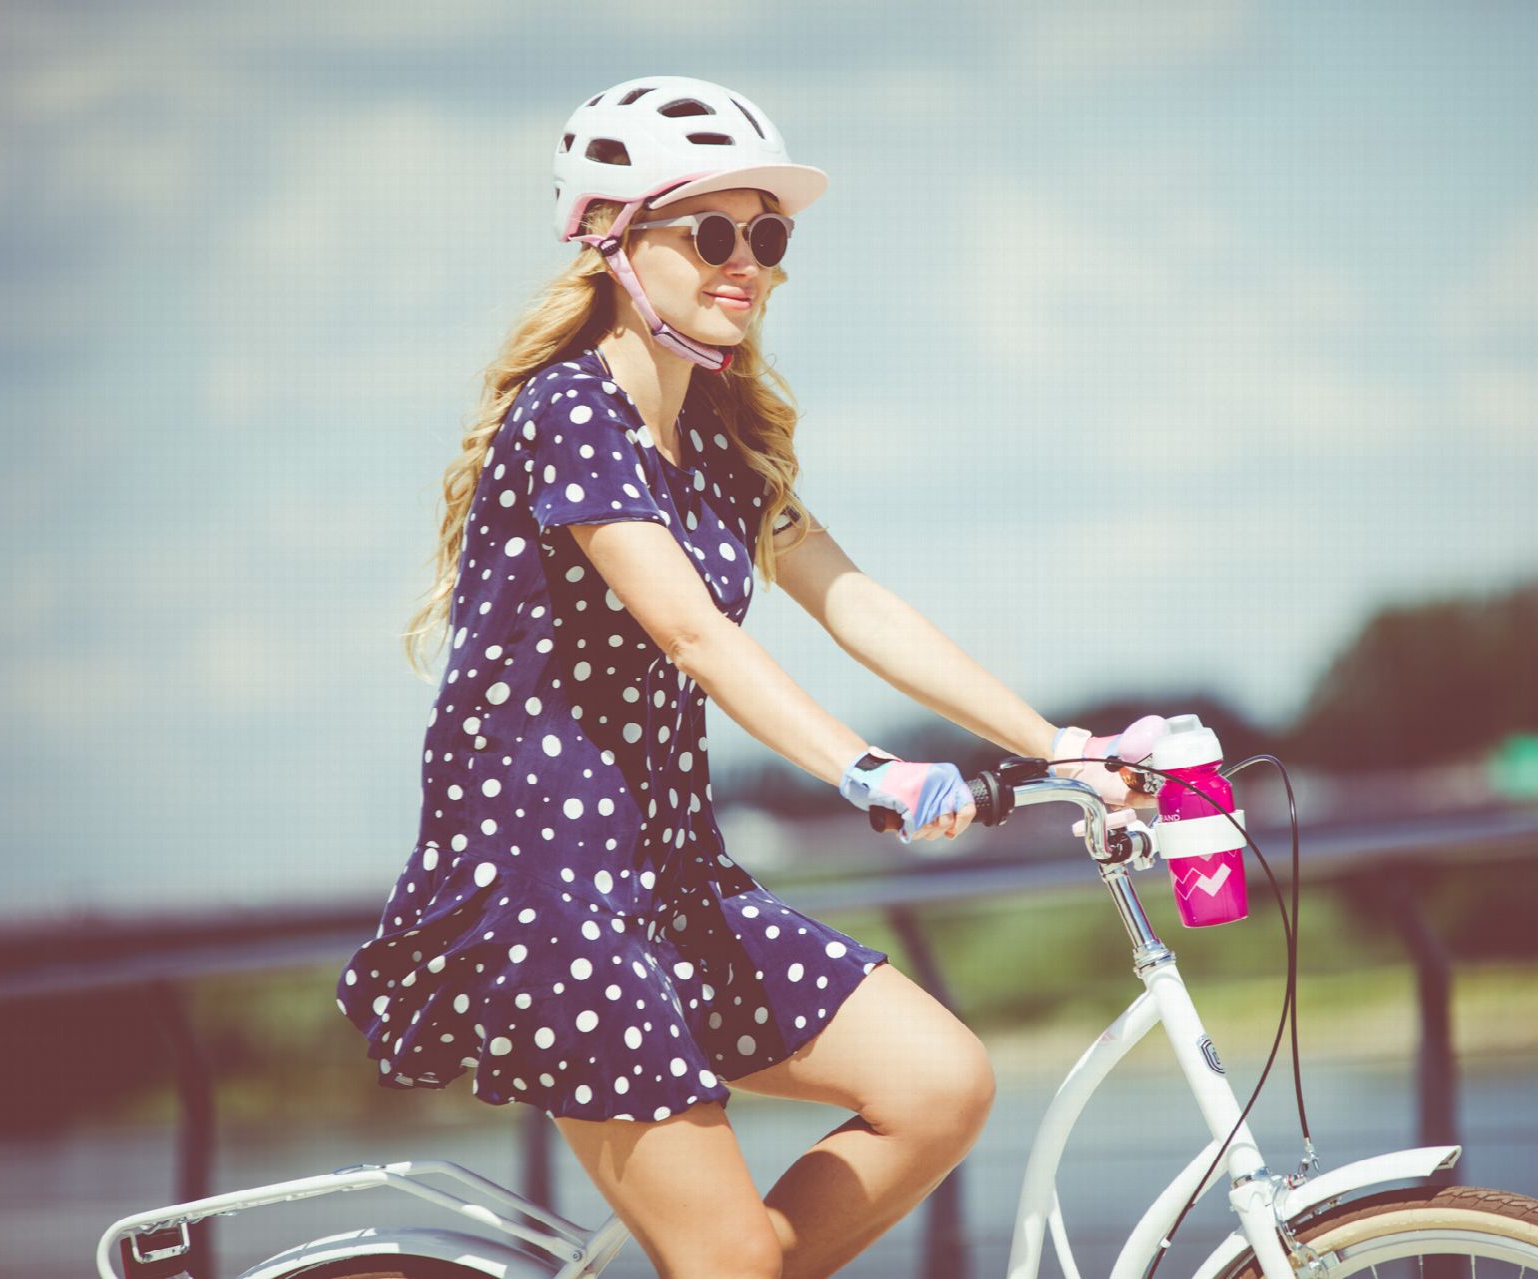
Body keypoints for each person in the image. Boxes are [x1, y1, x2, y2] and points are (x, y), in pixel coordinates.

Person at [333, 74, 1170, 1279]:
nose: (750, 261)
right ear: (612, 244)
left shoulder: (715, 437)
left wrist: (1060, 745)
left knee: (940, 1085)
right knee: (733, 1262)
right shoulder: (570, 414)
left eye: (767, 234)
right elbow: (697, 636)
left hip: (674, 881)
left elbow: (854, 600)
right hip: (547, 892)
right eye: (713, 231)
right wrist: (865, 768)